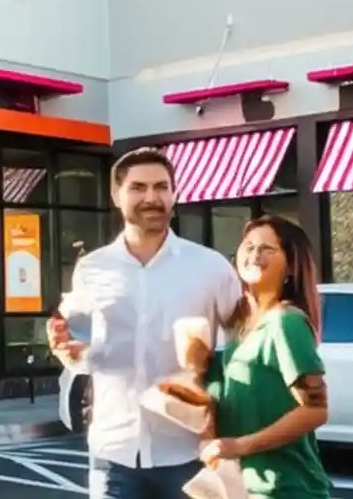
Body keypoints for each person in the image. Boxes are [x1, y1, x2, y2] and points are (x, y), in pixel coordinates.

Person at [48, 147, 242, 499]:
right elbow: (85, 349)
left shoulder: (211, 268)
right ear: (116, 195)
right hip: (114, 453)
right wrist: (69, 352)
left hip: (190, 453)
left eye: (161, 187)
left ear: (174, 194)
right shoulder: (92, 269)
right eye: (138, 187)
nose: (152, 197)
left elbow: (244, 346)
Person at [201, 215, 331, 498]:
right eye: (248, 247)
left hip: (287, 489)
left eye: (267, 248)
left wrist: (241, 446)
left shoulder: (285, 322)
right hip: (243, 488)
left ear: (291, 266)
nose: (255, 255)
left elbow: (316, 410)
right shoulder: (239, 327)